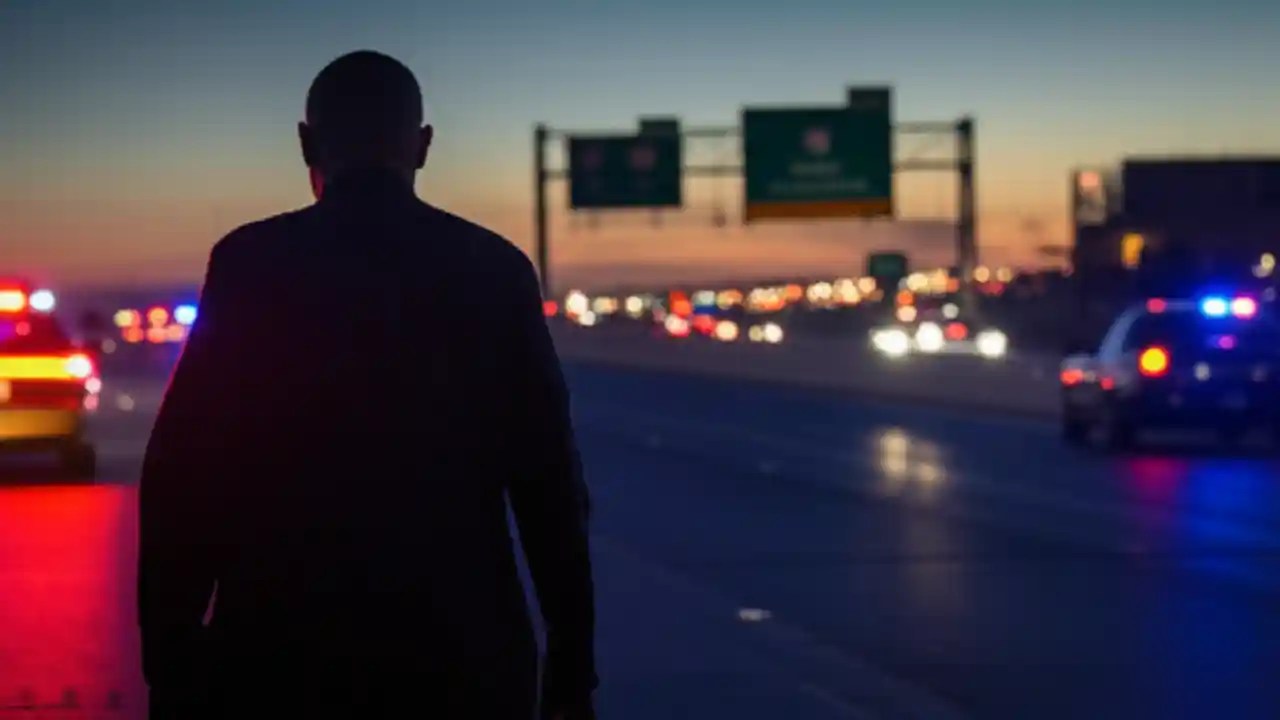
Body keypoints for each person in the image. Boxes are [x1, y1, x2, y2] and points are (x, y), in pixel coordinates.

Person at [137, 50, 596, 720]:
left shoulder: (250, 265)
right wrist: (572, 666)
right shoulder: (493, 269)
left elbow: (183, 477)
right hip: (462, 657)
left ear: (305, 144)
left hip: (278, 656)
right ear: (423, 146)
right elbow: (550, 484)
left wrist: (170, 658)